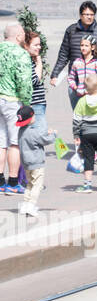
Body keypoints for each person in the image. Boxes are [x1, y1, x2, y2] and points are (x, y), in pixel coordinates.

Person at [0, 24, 33, 194]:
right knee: (14, 142)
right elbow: (24, 81)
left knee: (1, 141)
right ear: (19, 36)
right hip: (12, 100)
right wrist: (27, 103)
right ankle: (12, 182)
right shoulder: (20, 54)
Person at [51, 1, 97, 85]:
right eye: (86, 14)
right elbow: (63, 54)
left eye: (92, 15)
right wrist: (55, 74)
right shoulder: (71, 30)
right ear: (80, 15)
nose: (89, 17)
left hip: (96, 82)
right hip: (76, 80)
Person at [17, 104, 54, 218]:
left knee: (29, 184)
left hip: (26, 163)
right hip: (37, 163)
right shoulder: (33, 131)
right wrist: (53, 134)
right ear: (30, 118)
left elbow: (36, 137)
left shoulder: (21, 131)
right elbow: (45, 140)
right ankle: (31, 206)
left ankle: (25, 204)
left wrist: (45, 133)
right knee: (37, 185)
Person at [22, 30, 48, 143]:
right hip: (35, 104)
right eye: (36, 45)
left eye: (39, 44)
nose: (39, 47)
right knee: (40, 135)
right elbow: (34, 81)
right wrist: (40, 64)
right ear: (26, 45)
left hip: (37, 103)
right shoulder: (26, 60)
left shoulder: (28, 59)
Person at [68, 36, 97, 111]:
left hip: (93, 96)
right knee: (79, 115)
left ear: (92, 47)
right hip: (80, 95)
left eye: (86, 45)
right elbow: (71, 77)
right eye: (82, 45)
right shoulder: (77, 62)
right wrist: (75, 87)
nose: (83, 48)